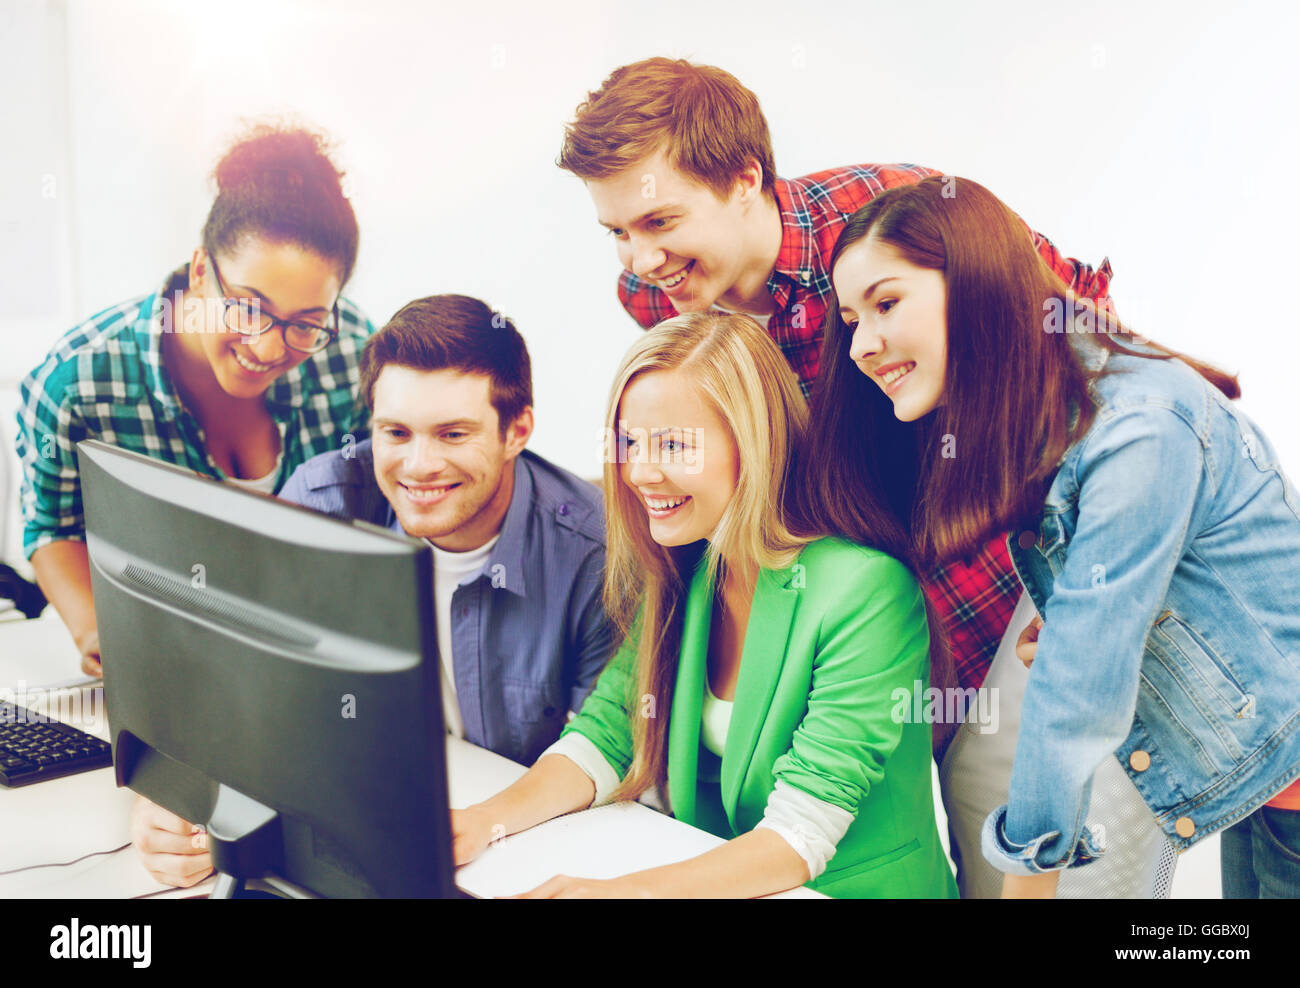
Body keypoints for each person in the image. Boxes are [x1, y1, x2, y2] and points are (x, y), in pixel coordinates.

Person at [557, 55, 1116, 763]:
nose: (639, 259)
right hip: (878, 607)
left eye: (659, 220)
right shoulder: (656, 299)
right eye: (617, 232)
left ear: (744, 181)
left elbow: (1085, 342)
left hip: (1013, 575)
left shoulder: (892, 217)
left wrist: (1094, 577)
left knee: (1015, 819)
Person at [800, 174, 1300, 898]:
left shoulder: (1137, 430)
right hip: (1271, 786)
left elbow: (1075, 696)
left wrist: (1028, 881)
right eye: (851, 320)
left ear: (980, 287)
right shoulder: (1052, 418)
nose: (862, 347)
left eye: (885, 303)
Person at [452, 311, 958, 898]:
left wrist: (623, 893)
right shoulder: (688, 565)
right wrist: (484, 821)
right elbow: (610, 733)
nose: (641, 472)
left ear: (755, 443)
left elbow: (801, 833)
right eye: (630, 444)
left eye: (673, 444)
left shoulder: (866, 589)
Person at [132, 294, 617, 889]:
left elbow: (609, 744)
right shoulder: (321, 505)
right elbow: (237, 685)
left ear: (517, 429)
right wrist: (184, 795)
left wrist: (486, 825)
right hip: (348, 832)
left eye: (453, 433)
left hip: (517, 850)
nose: (419, 464)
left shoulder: (594, 552)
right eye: (396, 432)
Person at [15, 124, 374, 678]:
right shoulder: (78, 382)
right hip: (164, 665)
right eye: (249, 307)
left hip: (308, 666)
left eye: (306, 324)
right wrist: (99, 633)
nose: (267, 347)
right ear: (202, 268)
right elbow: (53, 529)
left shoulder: (351, 354)